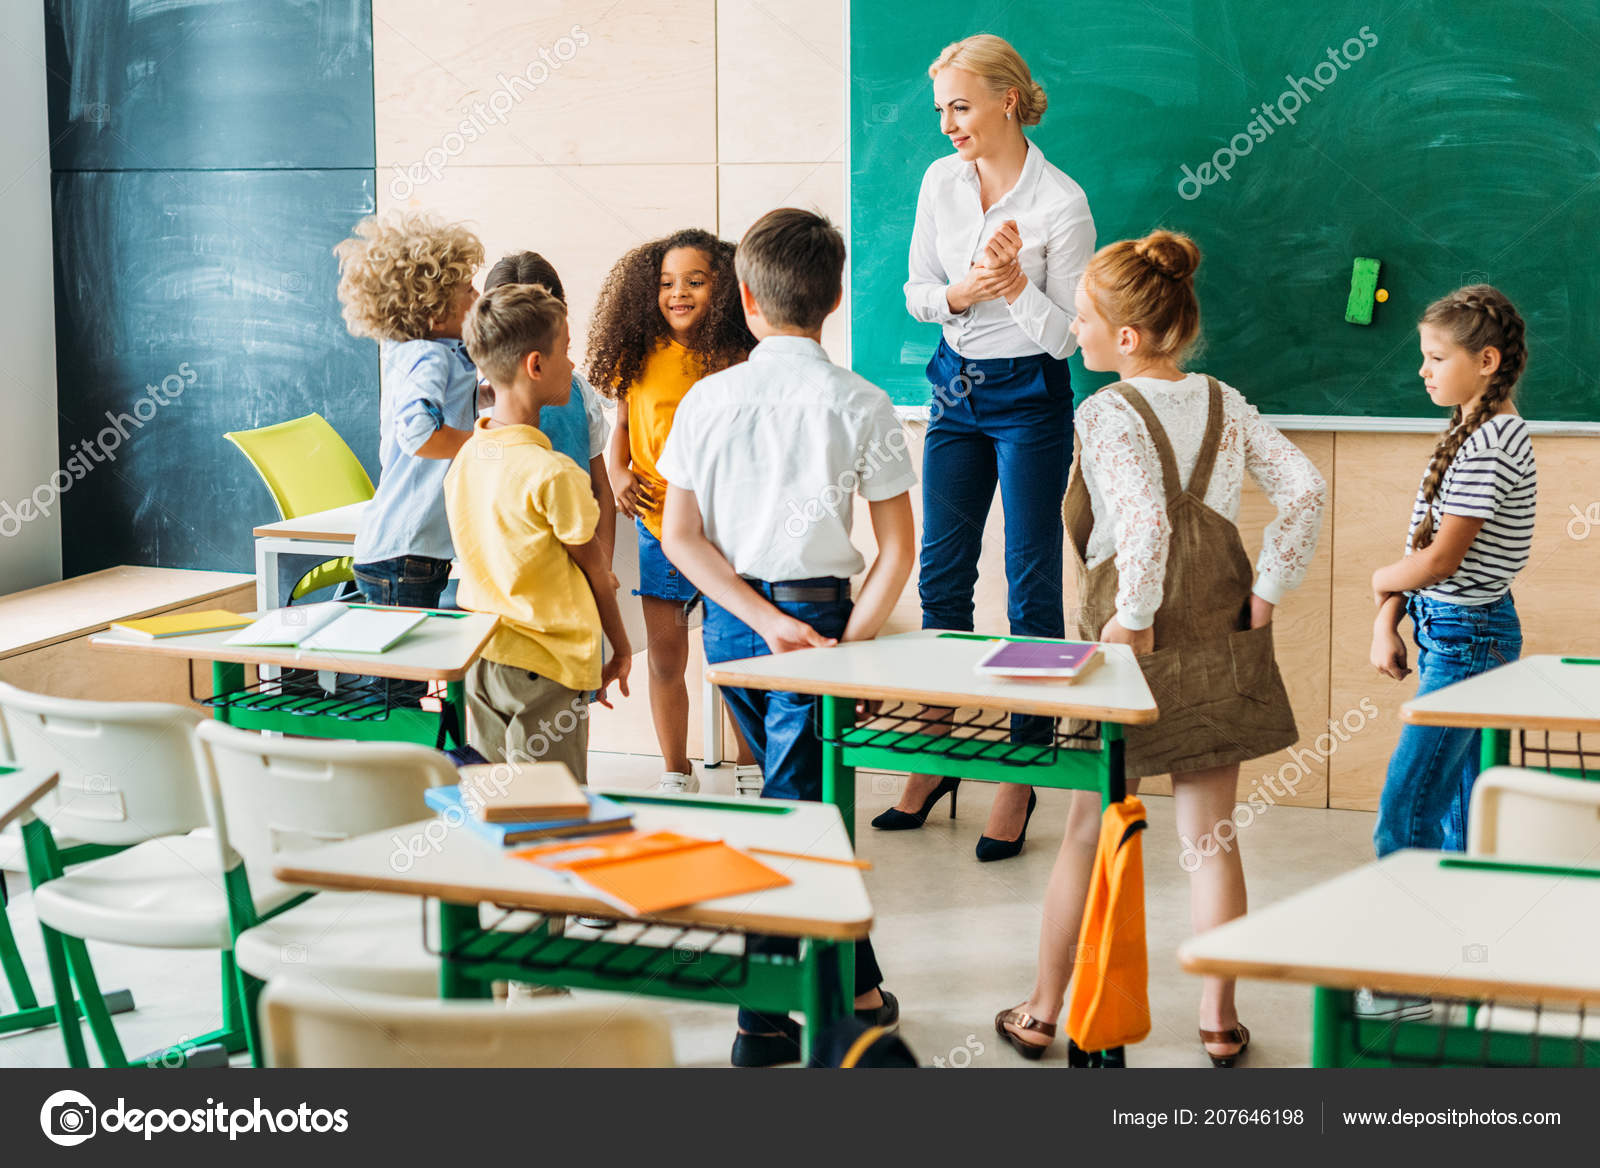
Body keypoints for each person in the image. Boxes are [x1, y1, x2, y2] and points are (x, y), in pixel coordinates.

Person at [993, 231, 1325, 1067]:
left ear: (1127, 336)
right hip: (1220, 630)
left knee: (1087, 828)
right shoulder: (1223, 400)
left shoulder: (1106, 411)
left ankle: (1042, 1012)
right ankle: (1219, 1023)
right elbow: (1305, 487)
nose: (1075, 330)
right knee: (1210, 838)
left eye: (1082, 318)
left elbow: (1142, 520)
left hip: (1129, 639)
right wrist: (1267, 589)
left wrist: (1135, 616)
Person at [658, 208, 917, 1066]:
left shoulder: (707, 399)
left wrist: (760, 620)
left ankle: (855, 990)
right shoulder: (862, 402)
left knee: (791, 801)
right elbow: (898, 550)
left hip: (734, 625)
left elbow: (681, 539)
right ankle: (763, 1019)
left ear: (744, 298)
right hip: (822, 622)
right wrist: (852, 646)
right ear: (835, 298)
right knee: (797, 812)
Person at [879, 33, 1095, 859]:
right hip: (953, 389)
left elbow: (1068, 339)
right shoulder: (941, 181)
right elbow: (915, 291)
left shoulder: (1062, 205)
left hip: (1031, 397)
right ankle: (937, 756)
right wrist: (962, 293)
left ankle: (1022, 769)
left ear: (1008, 99)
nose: (947, 125)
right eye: (942, 109)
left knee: (1032, 588)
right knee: (942, 575)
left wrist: (1016, 287)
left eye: (960, 107)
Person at [587, 229, 761, 793]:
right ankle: (674, 770)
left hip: (725, 534)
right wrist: (618, 472)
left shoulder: (737, 358)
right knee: (666, 660)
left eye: (694, 281)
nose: (678, 293)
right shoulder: (638, 353)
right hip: (658, 529)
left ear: (724, 289)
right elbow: (620, 427)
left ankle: (750, 767)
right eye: (666, 283)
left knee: (733, 659)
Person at [1370, 286, 1533, 854]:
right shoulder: (1474, 434)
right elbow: (1420, 544)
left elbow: (1440, 560)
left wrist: (1380, 582)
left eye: (1437, 358)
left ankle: (1403, 909)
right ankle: (1454, 906)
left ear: (1486, 361)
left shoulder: (1492, 443)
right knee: (1459, 817)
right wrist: (1386, 618)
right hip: (1453, 629)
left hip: (1469, 637)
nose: (1423, 371)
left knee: (1406, 814)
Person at [445, 284, 631, 778]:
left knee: (493, 799)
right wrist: (620, 648)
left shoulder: (467, 457)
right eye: (565, 351)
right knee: (552, 804)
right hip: (547, 664)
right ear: (535, 365)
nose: (572, 364)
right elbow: (596, 573)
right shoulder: (553, 473)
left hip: (484, 657)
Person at [334, 212, 483, 610]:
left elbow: (452, 403)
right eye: (468, 289)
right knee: (405, 651)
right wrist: (483, 444)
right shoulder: (428, 356)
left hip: (406, 549)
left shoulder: (419, 350)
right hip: (406, 551)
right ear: (435, 312)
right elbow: (419, 433)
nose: (479, 297)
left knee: (409, 649)